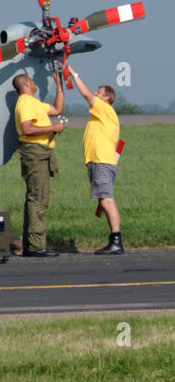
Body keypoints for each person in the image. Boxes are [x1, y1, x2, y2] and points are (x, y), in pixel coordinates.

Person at [67, 67, 124, 254]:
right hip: (98, 161)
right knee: (105, 198)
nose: (94, 94)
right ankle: (115, 240)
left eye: (98, 93)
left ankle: (116, 240)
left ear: (106, 97)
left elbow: (85, 94)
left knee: (107, 199)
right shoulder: (100, 114)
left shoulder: (104, 109)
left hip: (101, 161)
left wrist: (74, 75)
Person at [12, 68, 66, 256]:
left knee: (36, 197)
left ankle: (31, 245)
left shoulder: (33, 102)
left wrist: (60, 85)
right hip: (35, 153)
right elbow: (27, 129)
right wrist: (53, 128)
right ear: (27, 84)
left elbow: (57, 109)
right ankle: (36, 247)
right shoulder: (25, 103)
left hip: (41, 153)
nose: (35, 83)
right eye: (32, 81)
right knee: (38, 199)